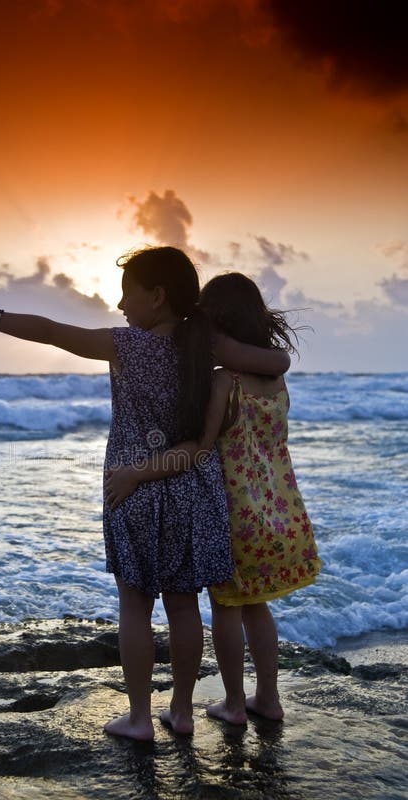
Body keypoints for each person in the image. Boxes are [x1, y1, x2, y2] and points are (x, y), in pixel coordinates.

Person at [0, 249, 290, 741]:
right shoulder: (204, 345)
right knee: (184, 606)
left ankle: (141, 718)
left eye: (128, 293)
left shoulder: (126, 346)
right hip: (193, 488)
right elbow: (276, 360)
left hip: (132, 487)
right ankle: (181, 712)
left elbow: (51, 331)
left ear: (157, 297)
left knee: (135, 605)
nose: (121, 305)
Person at [105, 271, 320, 726]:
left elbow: (203, 447)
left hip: (231, 508)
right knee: (256, 606)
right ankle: (269, 698)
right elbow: (277, 369)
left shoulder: (225, 381)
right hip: (277, 508)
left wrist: (145, 469)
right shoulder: (275, 380)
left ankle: (235, 705)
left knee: (226, 606)